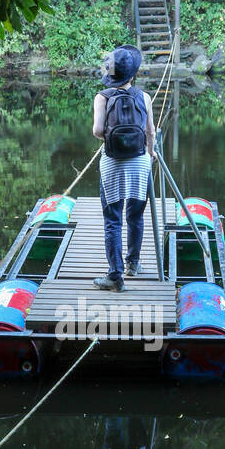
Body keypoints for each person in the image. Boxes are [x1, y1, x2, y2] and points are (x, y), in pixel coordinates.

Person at [92, 45, 156, 292]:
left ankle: (115, 277)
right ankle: (134, 263)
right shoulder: (145, 97)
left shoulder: (102, 97)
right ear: (133, 75)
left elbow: (98, 131)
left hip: (112, 164)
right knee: (135, 215)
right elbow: (149, 131)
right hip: (140, 163)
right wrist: (151, 154)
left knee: (113, 220)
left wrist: (110, 138)